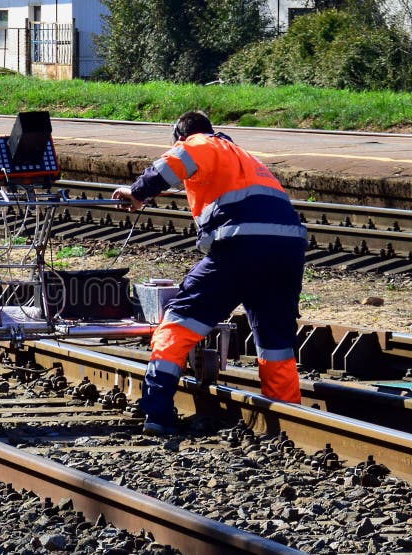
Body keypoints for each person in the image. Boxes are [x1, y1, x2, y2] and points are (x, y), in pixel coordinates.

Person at [112, 110, 307, 435]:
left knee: (180, 319)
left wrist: (137, 192)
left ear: (180, 135)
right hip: (287, 251)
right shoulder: (247, 159)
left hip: (240, 246)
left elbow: (173, 163)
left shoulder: (198, 143)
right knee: (275, 343)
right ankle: (289, 423)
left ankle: (157, 413)